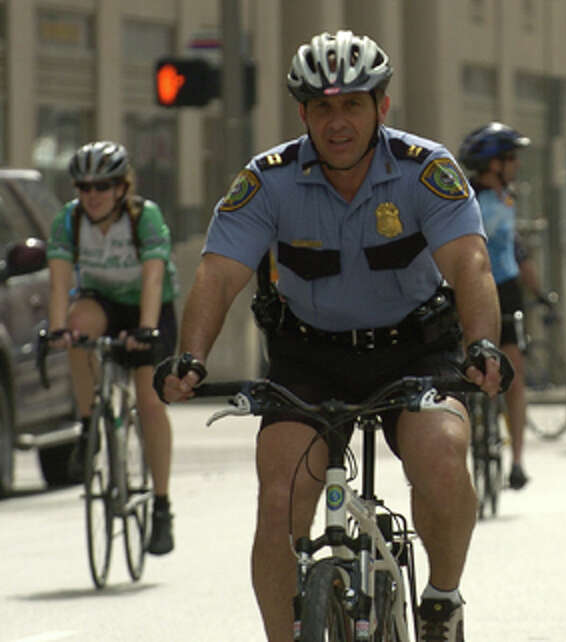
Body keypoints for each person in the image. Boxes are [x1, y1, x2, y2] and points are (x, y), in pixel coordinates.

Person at [154, 31, 506, 642]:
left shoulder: (428, 171)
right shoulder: (269, 181)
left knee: (445, 456)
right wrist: (190, 356)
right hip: (308, 356)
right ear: (303, 114)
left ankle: (442, 603)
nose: (337, 122)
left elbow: (470, 264)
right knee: (278, 504)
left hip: (415, 349)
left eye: (351, 105)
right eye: (322, 107)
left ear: (381, 109)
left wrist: (482, 344)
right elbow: (219, 272)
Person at [46, 140, 179, 556]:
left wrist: (145, 329)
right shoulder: (69, 220)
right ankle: (89, 427)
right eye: (83, 187)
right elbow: (59, 282)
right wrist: (55, 330)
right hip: (102, 304)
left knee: (149, 401)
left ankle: (160, 506)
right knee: (76, 326)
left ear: (122, 187)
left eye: (102, 186)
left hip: (149, 308)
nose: (92, 195)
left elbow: (154, 279)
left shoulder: (144, 217)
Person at [459, 121, 534, 490]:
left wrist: (539, 294)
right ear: (493, 163)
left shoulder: (507, 198)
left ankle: (517, 460)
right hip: (470, 290)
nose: (516, 164)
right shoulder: (465, 201)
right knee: (462, 372)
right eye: (510, 158)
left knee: (513, 375)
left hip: (506, 290)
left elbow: (517, 253)